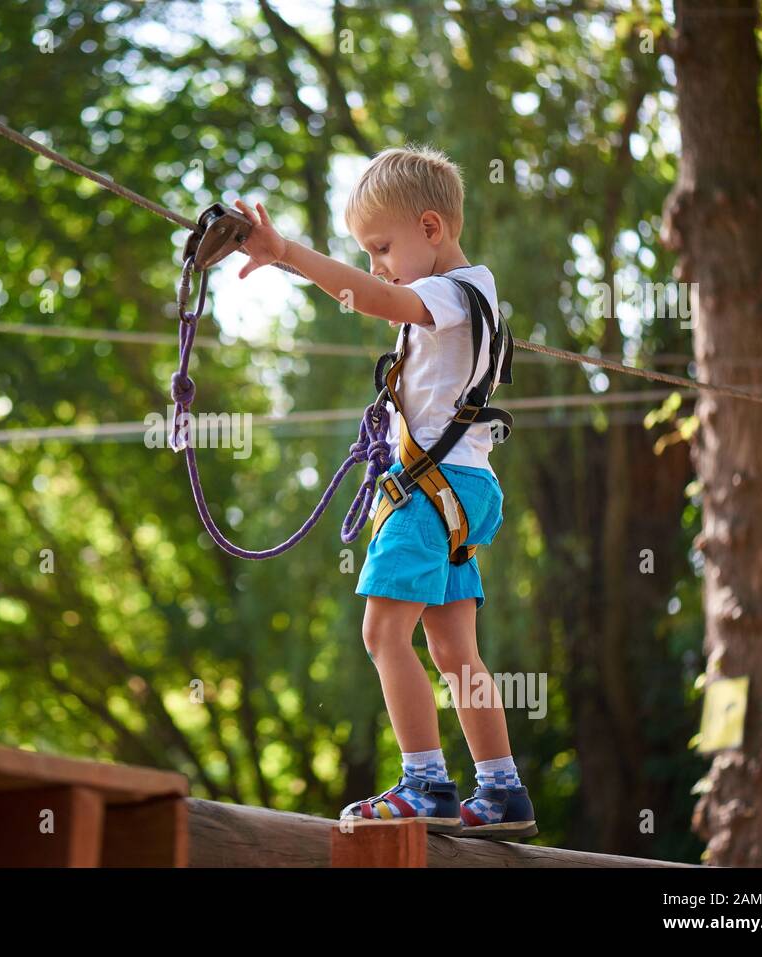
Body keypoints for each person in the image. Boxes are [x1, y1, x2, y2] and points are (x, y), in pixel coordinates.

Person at [231, 144, 536, 839]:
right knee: (457, 649)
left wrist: (285, 253)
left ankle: (425, 783)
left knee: (381, 631)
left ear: (432, 228)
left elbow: (375, 298)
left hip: (431, 494)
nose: (375, 265)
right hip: (464, 488)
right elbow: (385, 295)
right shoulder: (472, 297)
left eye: (380, 246)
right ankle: (502, 789)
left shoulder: (450, 294)